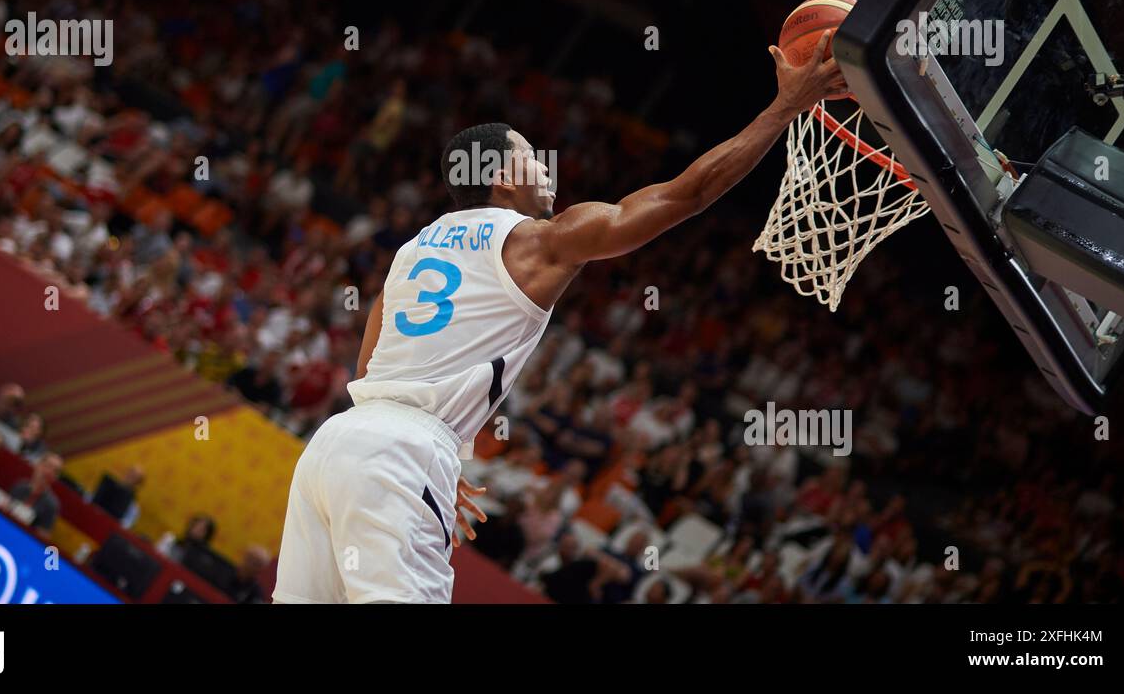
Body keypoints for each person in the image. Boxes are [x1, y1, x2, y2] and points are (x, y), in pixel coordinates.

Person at [273, 35, 846, 603]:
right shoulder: (539, 241)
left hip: (336, 444)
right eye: (532, 156)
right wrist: (785, 107)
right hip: (402, 454)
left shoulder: (412, 251)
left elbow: (369, 362)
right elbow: (685, 196)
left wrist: (411, 448)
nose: (549, 167)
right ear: (501, 176)